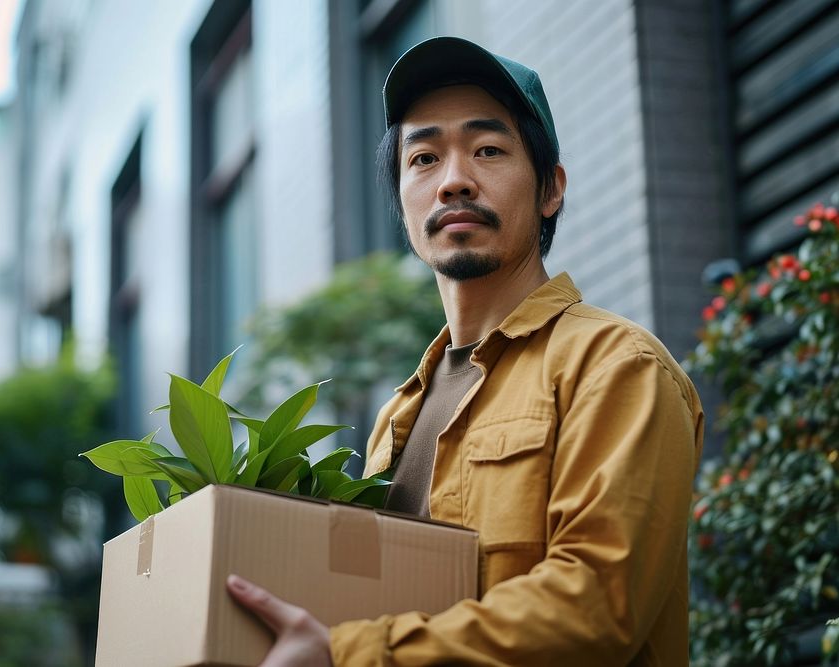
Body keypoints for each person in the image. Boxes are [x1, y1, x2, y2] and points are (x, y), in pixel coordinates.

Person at [227, 36, 704, 666]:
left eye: (487, 150)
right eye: (423, 158)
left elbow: (597, 608)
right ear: (402, 199)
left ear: (549, 190)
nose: (453, 181)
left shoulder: (616, 366)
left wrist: (349, 655)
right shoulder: (396, 419)